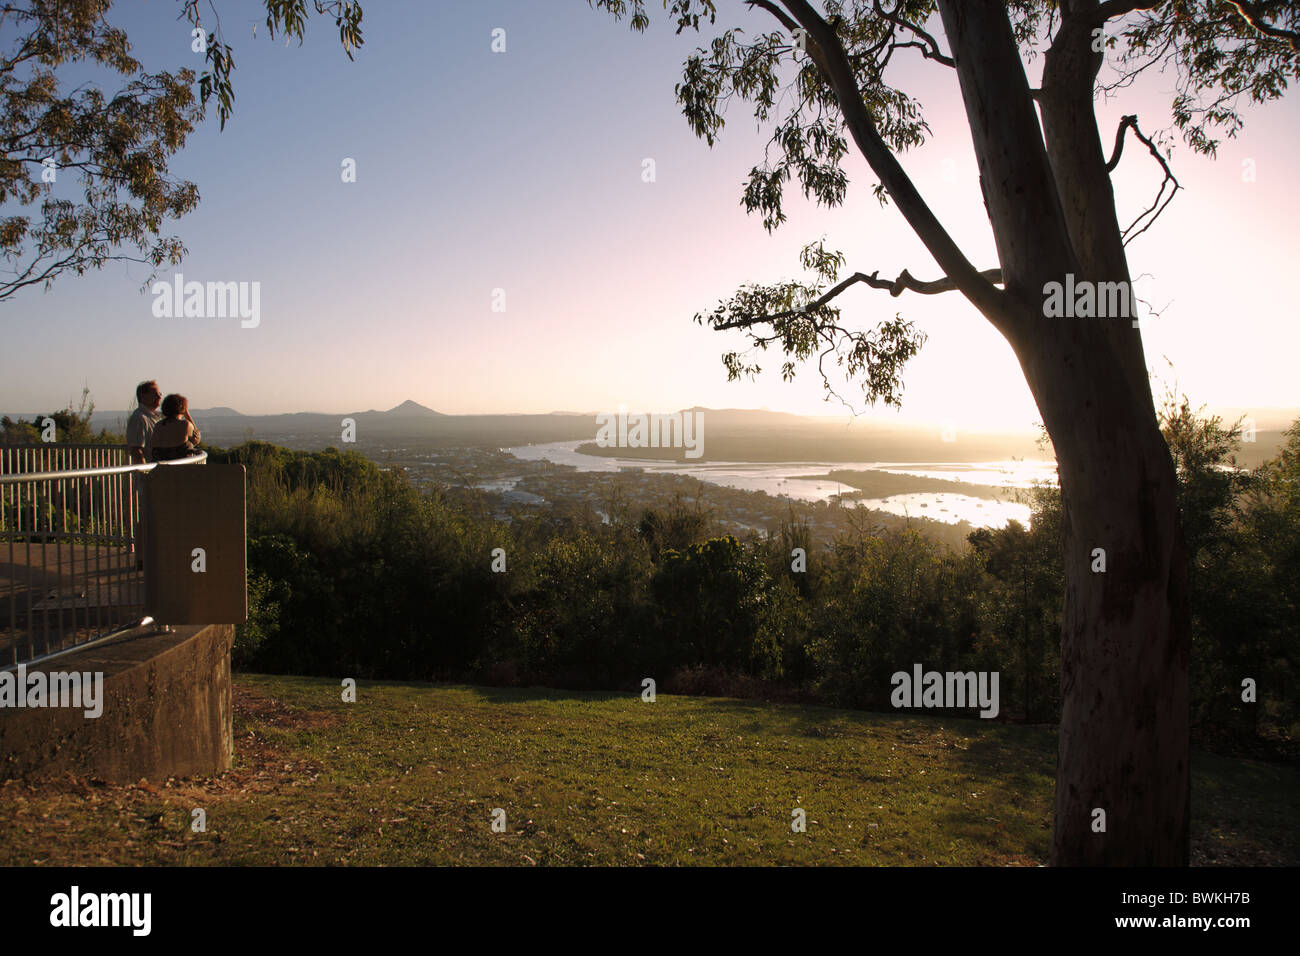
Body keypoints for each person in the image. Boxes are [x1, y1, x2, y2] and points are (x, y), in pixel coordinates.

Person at [147, 394, 202, 462]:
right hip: (180, 470)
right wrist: (187, 415)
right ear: (183, 408)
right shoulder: (185, 425)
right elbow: (196, 436)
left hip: (160, 470)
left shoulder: (158, 426)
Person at [125, 380, 162, 465]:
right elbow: (136, 450)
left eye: (159, 394)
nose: (159, 397)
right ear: (143, 396)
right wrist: (145, 473)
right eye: (155, 394)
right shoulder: (139, 418)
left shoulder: (155, 417)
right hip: (149, 473)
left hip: (157, 472)